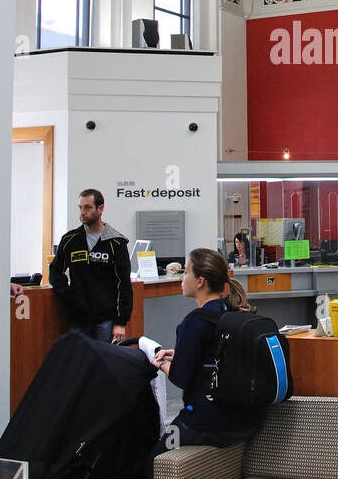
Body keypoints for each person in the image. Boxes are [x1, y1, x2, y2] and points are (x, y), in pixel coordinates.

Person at [150, 247, 262, 454]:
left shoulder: (194, 322)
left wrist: (160, 363)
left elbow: (181, 378)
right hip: (242, 419)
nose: (182, 278)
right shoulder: (232, 311)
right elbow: (215, 355)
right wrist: (181, 354)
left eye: (185, 272)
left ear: (200, 281)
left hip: (205, 421)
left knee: (154, 459)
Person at [49, 188, 132, 343]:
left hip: (106, 320)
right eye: (80, 207)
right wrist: (69, 296)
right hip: (78, 319)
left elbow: (124, 284)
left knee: (104, 363)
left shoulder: (116, 242)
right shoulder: (70, 240)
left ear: (100, 209)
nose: (82, 212)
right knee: (80, 363)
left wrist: (121, 322)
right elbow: (55, 271)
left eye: (88, 207)